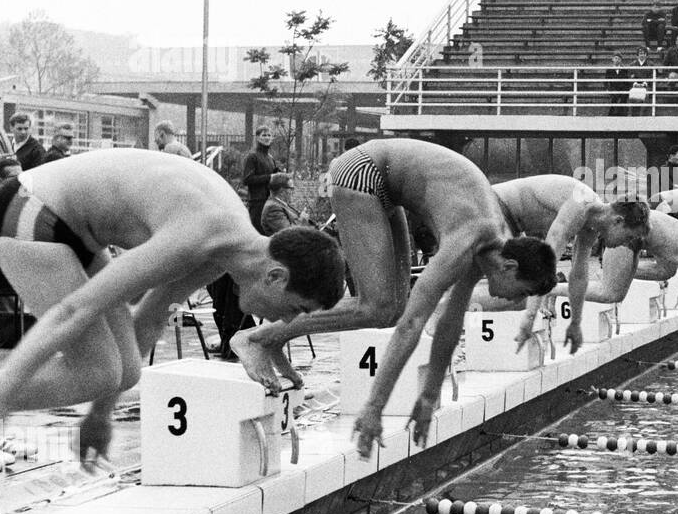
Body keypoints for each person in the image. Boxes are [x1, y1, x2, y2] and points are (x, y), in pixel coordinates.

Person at [0, 150, 347, 481]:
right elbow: (74, 310)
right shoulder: (199, 234)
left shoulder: (219, 252)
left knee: (124, 372)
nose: (286, 321)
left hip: (73, 229)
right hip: (29, 208)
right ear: (275, 277)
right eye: (296, 309)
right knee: (99, 370)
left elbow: (149, 320)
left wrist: (100, 416)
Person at [231, 140, 558, 454]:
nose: (514, 301)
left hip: (388, 185)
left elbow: (449, 323)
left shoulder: (490, 246)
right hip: (360, 172)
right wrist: (374, 407)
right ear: (511, 267)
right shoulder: (469, 238)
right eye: (524, 292)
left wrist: (428, 397)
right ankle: (256, 339)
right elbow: (413, 325)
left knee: (391, 309)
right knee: (379, 307)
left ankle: (271, 338)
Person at [491, 176, 650, 351]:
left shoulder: (592, 224)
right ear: (618, 221)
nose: (626, 244)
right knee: (518, 292)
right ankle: (461, 308)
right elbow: (546, 260)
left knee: (522, 293)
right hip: (494, 205)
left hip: (510, 221)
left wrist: (575, 323)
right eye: (629, 237)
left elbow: (579, 276)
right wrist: (529, 317)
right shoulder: (580, 206)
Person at [563, 212, 678, 349]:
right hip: (627, 232)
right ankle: (553, 288)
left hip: (639, 232)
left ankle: (609, 274)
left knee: (666, 271)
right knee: (611, 294)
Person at [242, 126, 278, 233]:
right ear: (257, 138)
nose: (267, 138)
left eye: (269, 135)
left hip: (270, 201)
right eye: (264, 135)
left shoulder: (270, 158)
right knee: (257, 233)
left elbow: (273, 176)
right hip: (257, 202)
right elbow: (247, 179)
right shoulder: (252, 157)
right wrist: (269, 177)